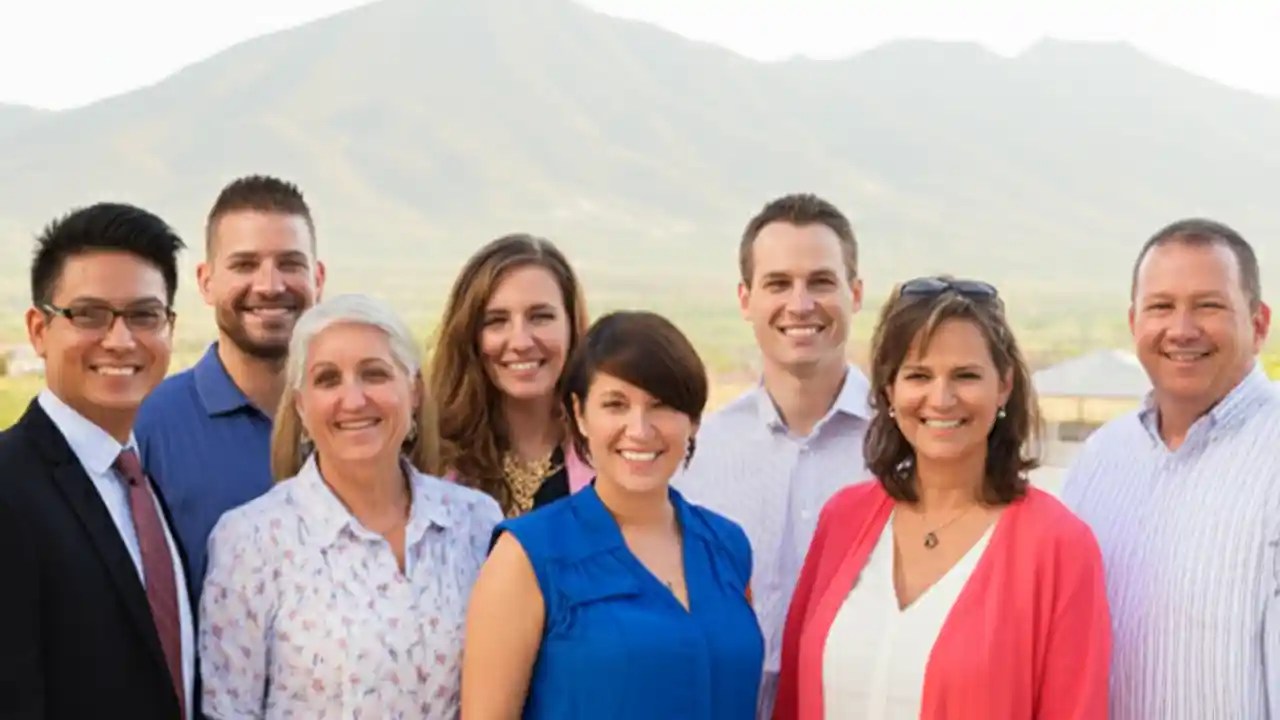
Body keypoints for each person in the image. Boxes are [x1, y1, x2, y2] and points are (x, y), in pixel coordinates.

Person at [774, 276, 1111, 719]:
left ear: (1004, 386)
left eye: (966, 376)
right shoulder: (843, 519)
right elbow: (793, 701)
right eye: (919, 375)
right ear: (890, 390)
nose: (942, 398)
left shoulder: (1059, 547)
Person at [199, 293, 501, 719]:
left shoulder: (476, 522)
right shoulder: (250, 540)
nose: (354, 400)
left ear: (413, 392)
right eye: (327, 380)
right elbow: (229, 710)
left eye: (375, 374)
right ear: (301, 405)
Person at [461, 311, 765, 719]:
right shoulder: (528, 556)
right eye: (615, 404)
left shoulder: (727, 545)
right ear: (580, 414)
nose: (638, 429)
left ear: (692, 420)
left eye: (661, 406)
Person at [1061, 219, 1280, 719]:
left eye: (1209, 305)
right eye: (1161, 306)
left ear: (1260, 323)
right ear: (1134, 321)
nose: (1182, 330)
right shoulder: (1099, 461)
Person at [672, 193, 871, 717]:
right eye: (778, 283)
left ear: (856, 293)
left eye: (821, 282)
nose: (800, 304)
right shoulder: (698, 456)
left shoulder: (902, 450)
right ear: (745, 299)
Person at [0, 203, 195, 719]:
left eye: (143, 315)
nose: (120, 339)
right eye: (88, 314)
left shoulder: (140, 485)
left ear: (169, 327)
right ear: (39, 330)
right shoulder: (8, 488)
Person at [136, 174, 326, 598]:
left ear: (319, 277)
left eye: (290, 264)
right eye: (245, 265)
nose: (270, 285)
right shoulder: (150, 427)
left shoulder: (358, 419)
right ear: (205, 281)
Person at [427, 233, 592, 517]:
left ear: (571, 325)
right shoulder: (429, 460)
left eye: (540, 317)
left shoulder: (610, 454)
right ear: (470, 336)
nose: (520, 342)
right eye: (496, 321)